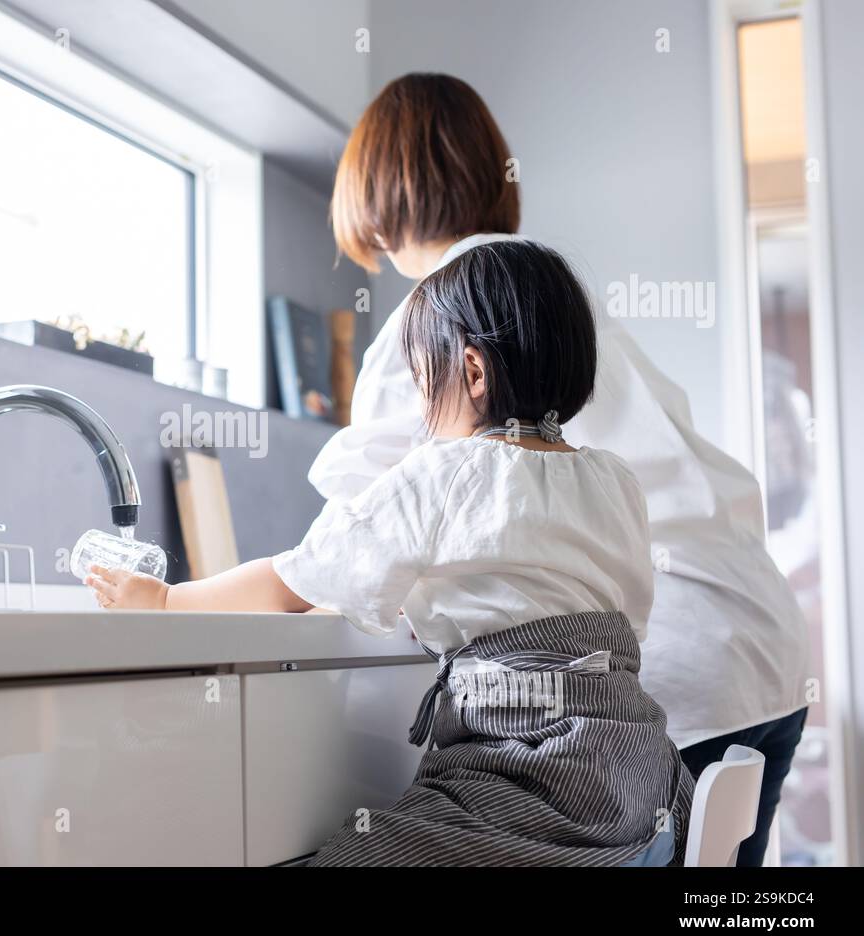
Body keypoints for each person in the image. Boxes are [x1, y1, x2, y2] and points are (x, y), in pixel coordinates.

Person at [312, 73, 809, 866]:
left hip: (656, 687)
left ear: (382, 192)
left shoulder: (439, 315)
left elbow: (352, 527)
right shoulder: (547, 291)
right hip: (760, 642)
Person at [88, 240, 692, 866]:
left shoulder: (446, 470)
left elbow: (295, 579)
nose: (423, 406)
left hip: (530, 774)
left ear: (474, 373)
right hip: (636, 783)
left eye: (424, 381)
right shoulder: (615, 480)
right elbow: (614, 621)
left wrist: (166, 599)